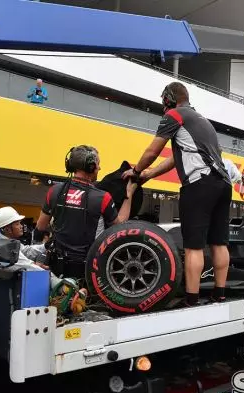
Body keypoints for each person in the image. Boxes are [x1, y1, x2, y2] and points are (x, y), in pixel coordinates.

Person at [122, 82, 232, 306]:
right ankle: (219, 295)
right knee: (219, 242)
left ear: (168, 99)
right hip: (223, 183)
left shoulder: (174, 115)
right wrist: (150, 175)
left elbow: (153, 150)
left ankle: (191, 299)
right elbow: (175, 158)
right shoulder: (202, 121)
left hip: (199, 184)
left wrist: (136, 171)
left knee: (193, 246)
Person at [36, 145, 137, 278]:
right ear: (91, 167)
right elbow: (119, 228)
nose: (99, 168)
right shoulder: (103, 198)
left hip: (56, 268)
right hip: (86, 271)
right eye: (98, 164)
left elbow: (41, 226)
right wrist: (129, 192)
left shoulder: (54, 191)